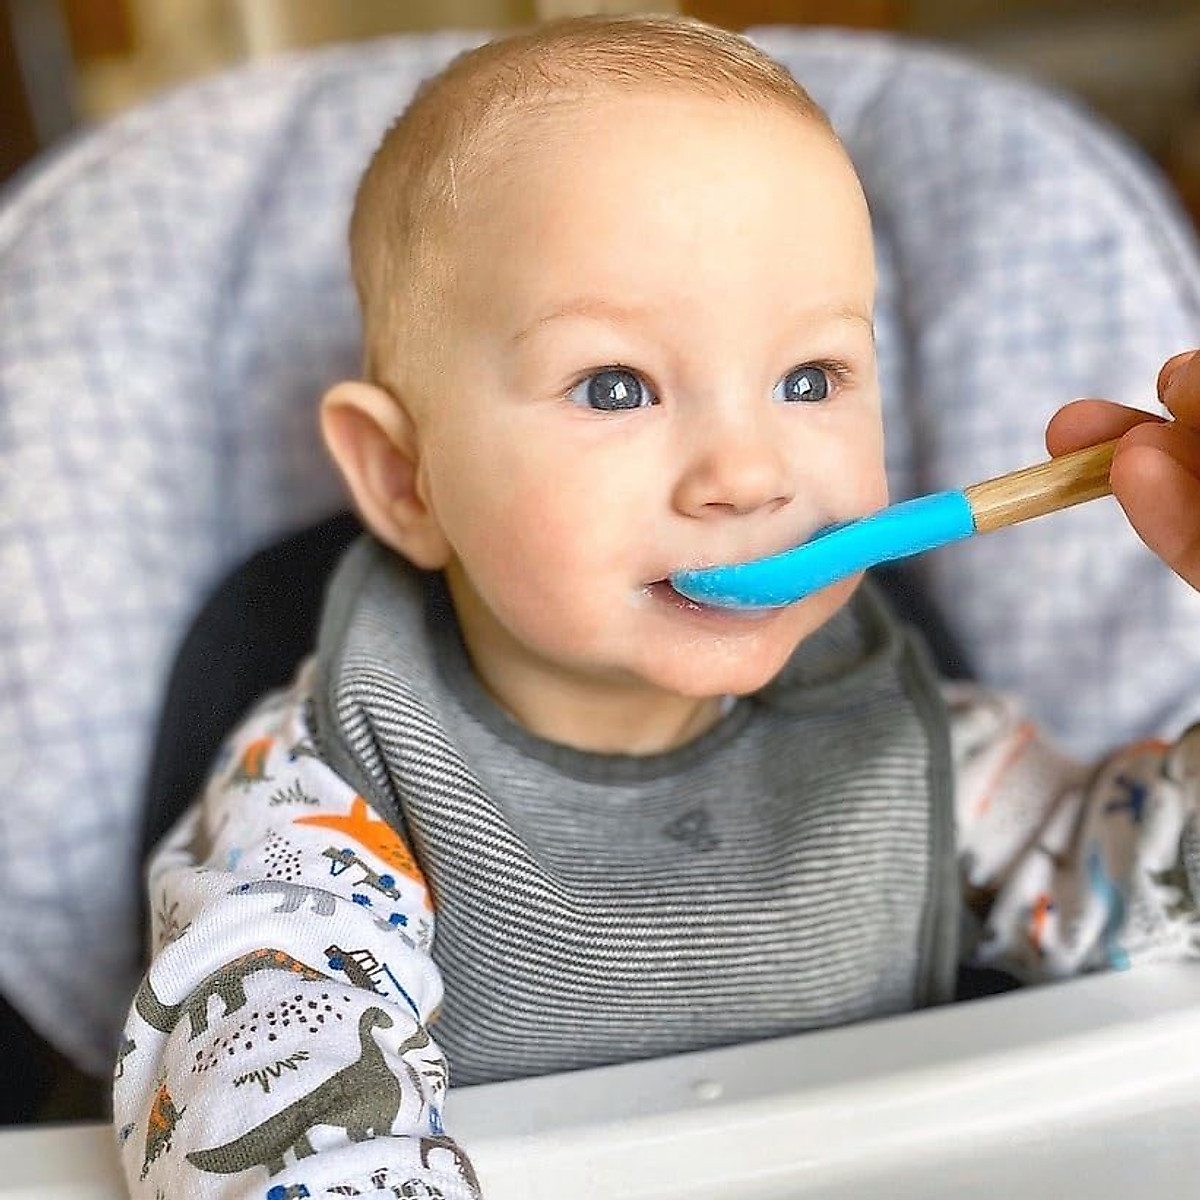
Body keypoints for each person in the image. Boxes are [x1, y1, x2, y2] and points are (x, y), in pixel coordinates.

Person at [112, 14, 1200, 1198]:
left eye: (810, 378)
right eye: (615, 386)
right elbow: (266, 1108)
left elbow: (1153, 911)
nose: (749, 472)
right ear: (403, 478)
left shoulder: (927, 745)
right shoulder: (327, 799)